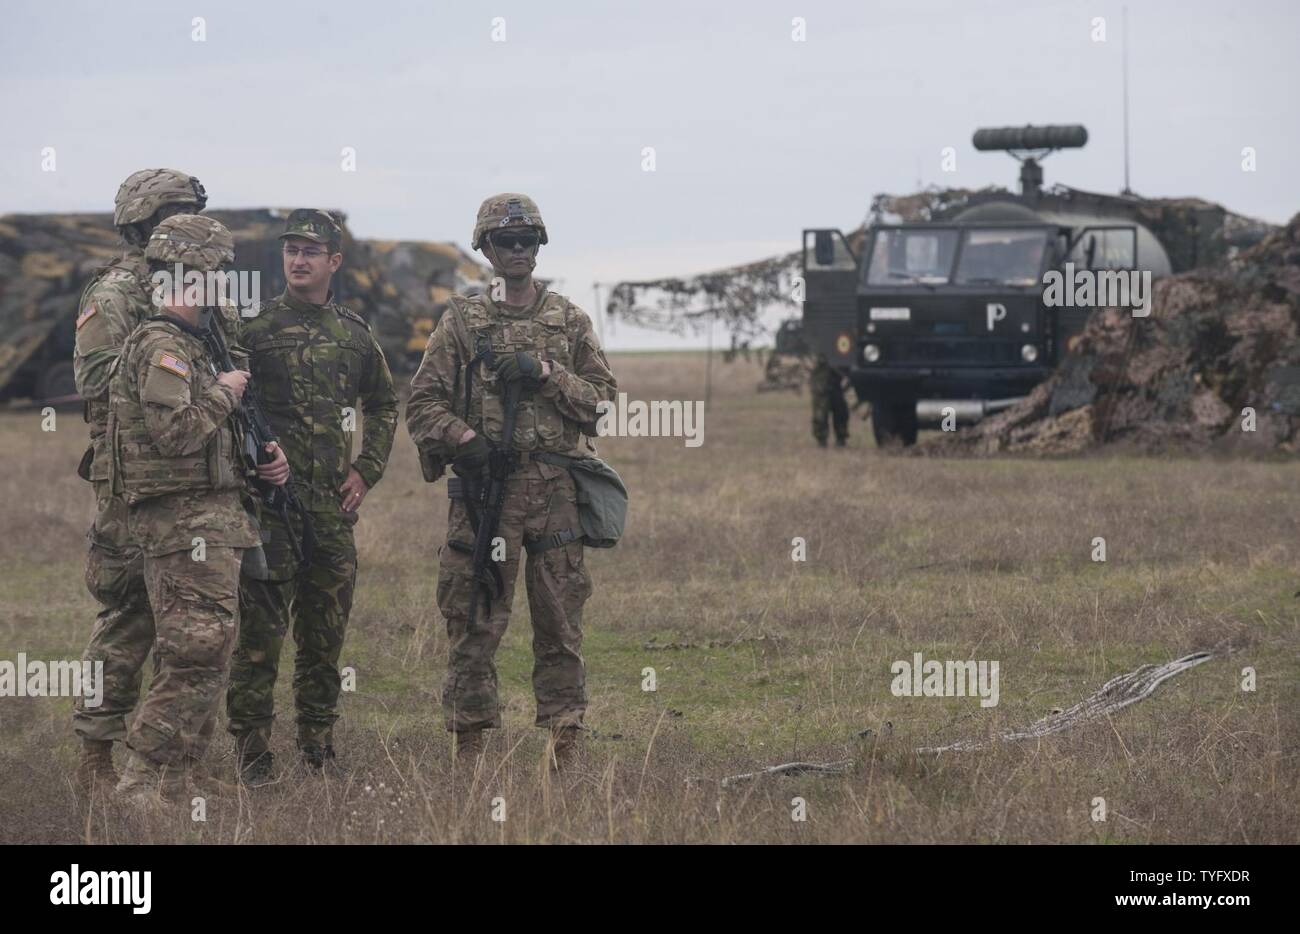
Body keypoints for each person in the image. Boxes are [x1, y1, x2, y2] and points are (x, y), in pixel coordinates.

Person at [406, 193, 617, 769]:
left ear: (539, 246)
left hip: (554, 494)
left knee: (560, 625)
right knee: (474, 620)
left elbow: (602, 405)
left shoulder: (567, 320)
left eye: (527, 241)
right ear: (486, 249)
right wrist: (464, 441)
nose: (517, 251)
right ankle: (469, 749)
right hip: (484, 496)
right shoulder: (462, 321)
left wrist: (548, 374)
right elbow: (421, 403)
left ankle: (564, 746)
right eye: (505, 242)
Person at [226, 209, 398, 784]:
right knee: (258, 641)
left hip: (331, 513)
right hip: (269, 512)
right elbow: (225, 411)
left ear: (334, 262)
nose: (298, 260)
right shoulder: (252, 332)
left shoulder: (353, 334)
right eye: (290, 250)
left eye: (310, 251)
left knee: (324, 639)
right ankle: (252, 753)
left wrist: (366, 470)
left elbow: (385, 403)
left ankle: (318, 746)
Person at [108, 215, 263, 805]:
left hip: (211, 523)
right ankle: (143, 781)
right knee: (193, 654)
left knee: (209, 652)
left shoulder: (195, 341)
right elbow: (174, 434)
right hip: (183, 527)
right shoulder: (164, 345)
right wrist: (228, 389)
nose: (225, 281)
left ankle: (180, 776)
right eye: (220, 270)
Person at [70, 168, 209, 793]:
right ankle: (97, 752)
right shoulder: (118, 293)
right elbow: (99, 385)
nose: (178, 227)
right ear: (139, 222)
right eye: (168, 215)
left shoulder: (200, 287)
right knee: (130, 612)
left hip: (196, 479)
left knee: (192, 620)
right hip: (132, 481)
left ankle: (164, 763)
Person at [810, 354, 849, 447]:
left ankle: (841, 438)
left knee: (841, 412)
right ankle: (821, 440)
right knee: (821, 414)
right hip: (821, 386)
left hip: (835, 385)